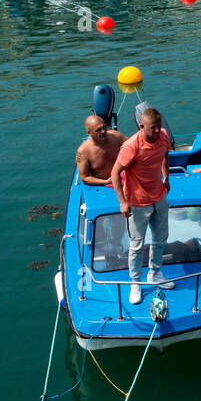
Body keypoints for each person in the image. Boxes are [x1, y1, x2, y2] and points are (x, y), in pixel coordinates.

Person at [110, 106, 171, 304]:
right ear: (142, 126)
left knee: (161, 238)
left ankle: (155, 273)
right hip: (137, 202)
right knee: (136, 245)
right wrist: (122, 201)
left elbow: (165, 154)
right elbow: (115, 173)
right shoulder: (131, 146)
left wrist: (166, 176)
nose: (156, 131)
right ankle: (135, 282)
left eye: (159, 126)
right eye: (152, 128)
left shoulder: (162, 136)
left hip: (159, 196)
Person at [75, 115, 127, 186]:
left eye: (104, 127)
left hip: (126, 175)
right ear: (89, 133)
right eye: (98, 130)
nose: (103, 131)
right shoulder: (83, 152)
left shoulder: (116, 136)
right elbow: (85, 177)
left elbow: (134, 147)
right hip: (106, 183)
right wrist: (106, 182)